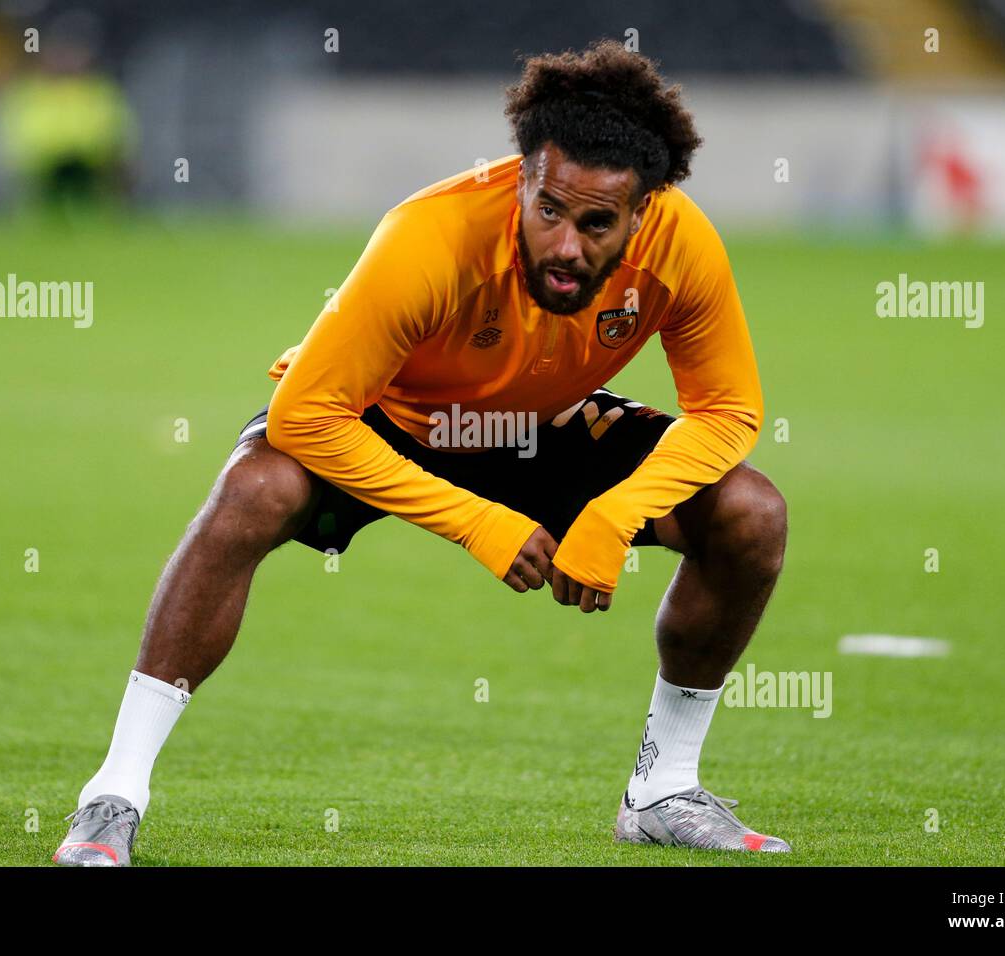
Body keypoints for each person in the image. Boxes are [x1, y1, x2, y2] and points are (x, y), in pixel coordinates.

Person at [55, 40, 789, 866]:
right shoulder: (428, 239)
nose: (565, 247)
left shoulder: (683, 250)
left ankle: (663, 790)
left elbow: (727, 410)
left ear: (643, 211)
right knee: (253, 490)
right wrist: (477, 523)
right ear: (521, 181)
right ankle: (112, 794)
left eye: (596, 224)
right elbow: (306, 416)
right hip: (389, 418)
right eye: (548, 209)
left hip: (542, 426)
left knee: (751, 514)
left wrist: (617, 516)